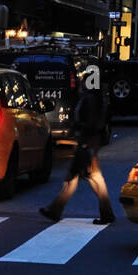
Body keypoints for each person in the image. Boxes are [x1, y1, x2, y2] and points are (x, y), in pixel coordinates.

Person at [40, 81, 115, 225]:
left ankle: (56, 210)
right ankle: (56, 209)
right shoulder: (95, 97)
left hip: (87, 143)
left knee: (86, 178)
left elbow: (91, 123)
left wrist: (78, 128)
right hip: (89, 143)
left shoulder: (91, 99)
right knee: (84, 178)